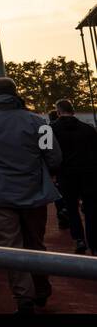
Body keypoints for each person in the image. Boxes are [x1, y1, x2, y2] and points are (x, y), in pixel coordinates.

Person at [0, 78, 62, 313]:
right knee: (35, 242)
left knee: (10, 246)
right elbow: (54, 157)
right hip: (34, 191)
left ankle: (24, 298)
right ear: (16, 92)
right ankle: (42, 289)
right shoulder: (39, 121)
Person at [52, 99, 97, 254]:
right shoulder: (88, 129)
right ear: (73, 111)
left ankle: (78, 239)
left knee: (71, 209)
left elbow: (46, 153)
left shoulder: (50, 130)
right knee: (91, 209)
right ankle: (94, 243)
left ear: (58, 112)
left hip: (66, 175)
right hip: (89, 175)